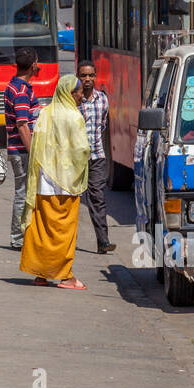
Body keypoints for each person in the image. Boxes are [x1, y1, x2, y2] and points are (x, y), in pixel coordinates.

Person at [20, 74, 90, 290]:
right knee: (63, 232)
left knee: (43, 230)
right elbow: (81, 149)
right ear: (70, 93)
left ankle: (41, 273)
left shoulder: (45, 113)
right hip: (66, 183)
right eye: (78, 92)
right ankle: (65, 276)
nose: (81, 96)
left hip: (43, 181)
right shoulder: (74, 116)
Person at [3, 47, 41, 250]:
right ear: (34, 65)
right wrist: (34, 151)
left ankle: (22, 234)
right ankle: (18, 238)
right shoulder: (21, 91)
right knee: (23, 193)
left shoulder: (16, 86)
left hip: (19, 149)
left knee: (25, 192)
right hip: (22, 150)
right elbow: (22, 124)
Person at [76, 61, 116, 254]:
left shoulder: (102, 99)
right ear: (78, 77)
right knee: (70, 200)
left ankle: (103, 241)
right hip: (75, 160)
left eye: (91, 75)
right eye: (83, 76)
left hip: (97, 157)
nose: (87, 79)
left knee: (97, 198)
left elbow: (102, 127)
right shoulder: (72, 101)